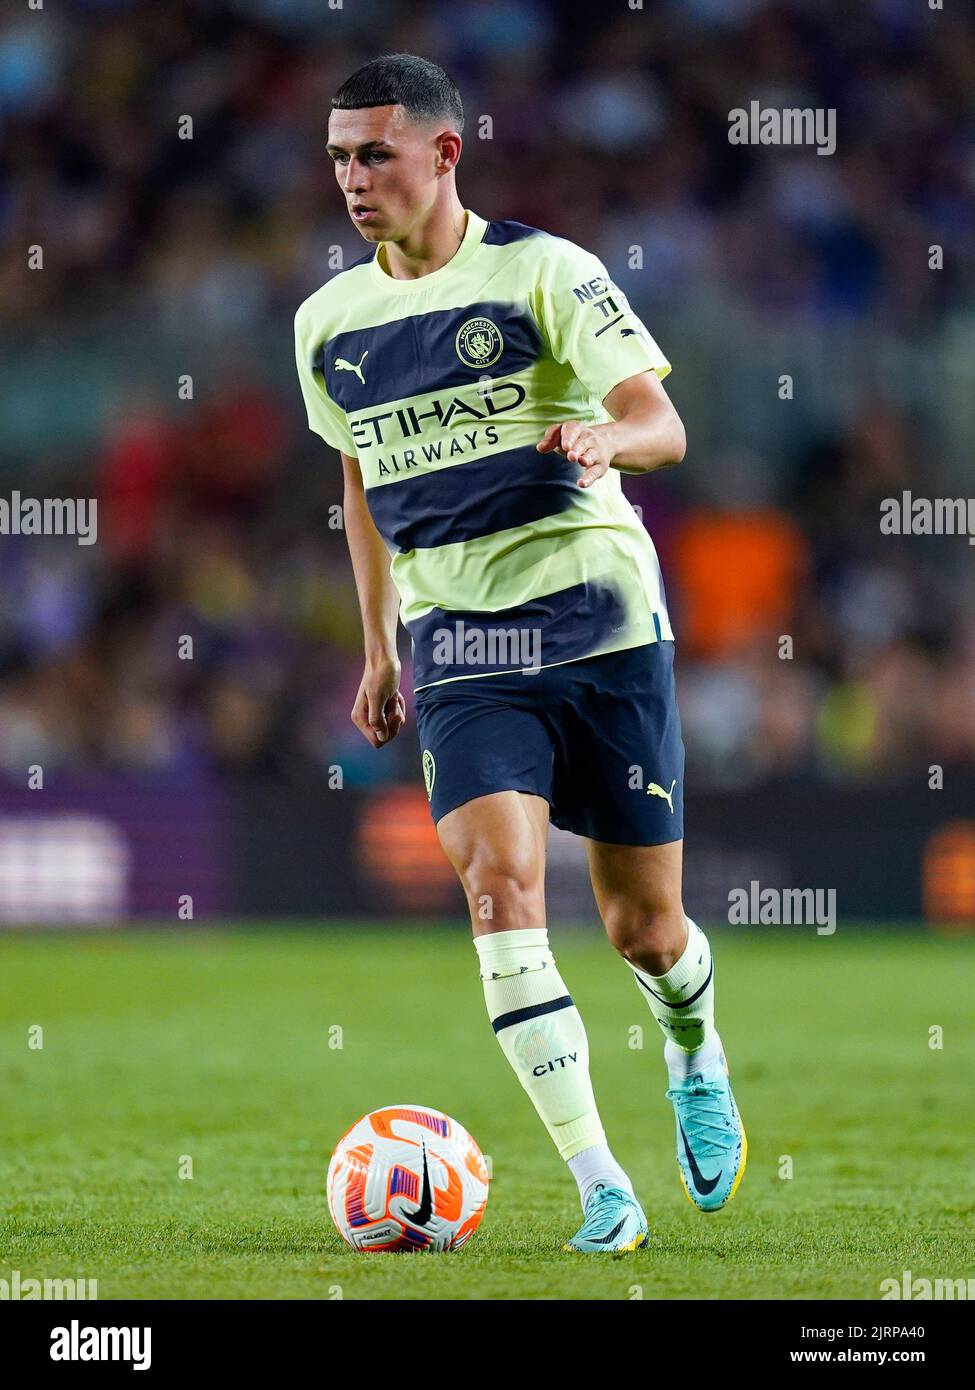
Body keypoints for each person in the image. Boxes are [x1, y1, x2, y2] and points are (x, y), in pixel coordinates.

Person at [294, 52, 745, 1252]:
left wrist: (605, 430)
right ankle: (602, 1184)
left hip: (596, 616)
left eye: (373, 153)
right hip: (459, 643)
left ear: (444, 154)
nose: (350, 176)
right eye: (338, 155)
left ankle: (694, 1048)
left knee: (644, 928)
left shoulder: (547, 272)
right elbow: (359, 486)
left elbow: (664, 419)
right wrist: (381, 649)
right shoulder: (328, 323)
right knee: (498, 885)